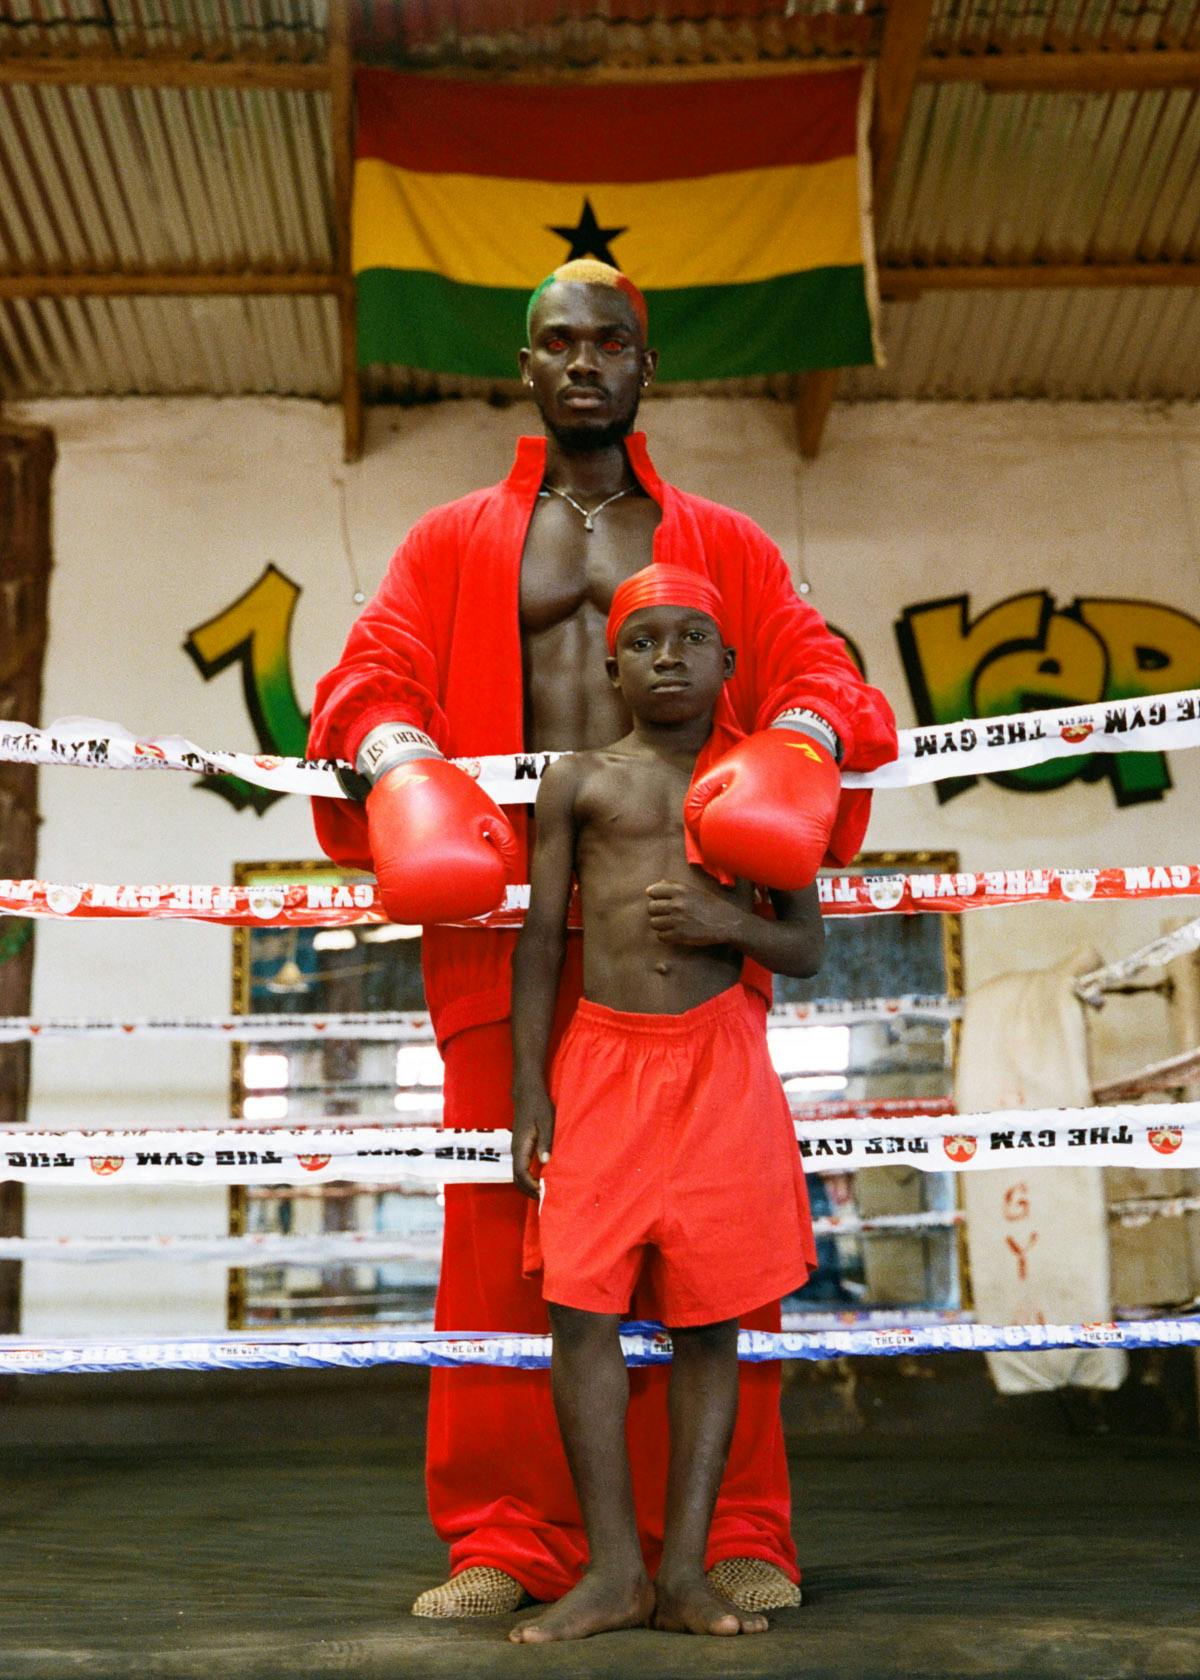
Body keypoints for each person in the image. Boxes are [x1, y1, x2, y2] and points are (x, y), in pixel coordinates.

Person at [307, 257, 897, 1618]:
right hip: (506, 930)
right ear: (526, 366)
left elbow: (822, 674)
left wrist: (797, 744)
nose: (583, 361)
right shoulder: (452, 539)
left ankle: (733, 1532)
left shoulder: (728, 544)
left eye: (609, 341)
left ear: (647, 366)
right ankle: (511, 1540)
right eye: (557, 341)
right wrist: (400, 762)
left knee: (717, 1250)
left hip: (682, 933)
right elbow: (364, 680)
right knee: (507, 1244)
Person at [508, 565, 822, 1643]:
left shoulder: (763, 781)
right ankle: (610, 1572)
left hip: (721, 1060)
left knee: (710, 1316)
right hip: (601, 1061)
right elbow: (542, 939)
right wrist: (527, 1091)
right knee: (579, 1309)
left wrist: (724, 925)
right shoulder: (579, 782)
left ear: (728, 664)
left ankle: (684, 1571)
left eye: (695, 639)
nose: (672, 657)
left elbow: (808, 947)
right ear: (613, 667)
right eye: (647, 642)